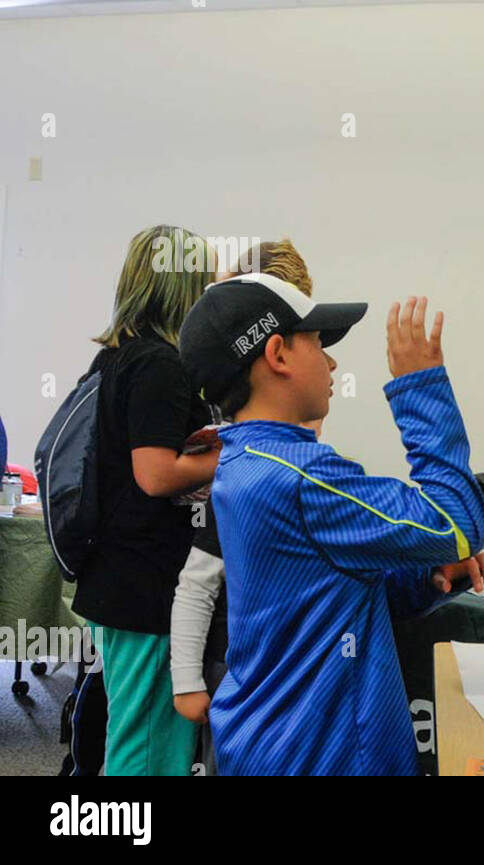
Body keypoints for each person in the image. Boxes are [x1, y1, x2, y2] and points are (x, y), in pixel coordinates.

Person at [179, 277, 484, 775]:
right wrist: (420, 386)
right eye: (319, 344)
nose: (331, 363)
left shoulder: (246, 461)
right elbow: (456, 522)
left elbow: (321, 594)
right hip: (321, 753)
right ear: (278, 354)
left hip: (273, 740)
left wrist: (424, 573)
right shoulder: (301, 476)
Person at [72, 225, 220, 775]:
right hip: (145, 583)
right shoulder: (162, 363)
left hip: (117, 577)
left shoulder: (118, 357)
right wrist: (237, 453)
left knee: (135, 730)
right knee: (151, 745)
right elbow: (156, 475)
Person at [169, 239, 317, 771]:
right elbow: (198, 580)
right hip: (230, 658)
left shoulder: (293, 448)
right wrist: (186, 680)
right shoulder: (242, 474)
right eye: (308, 338)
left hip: (280, 665)